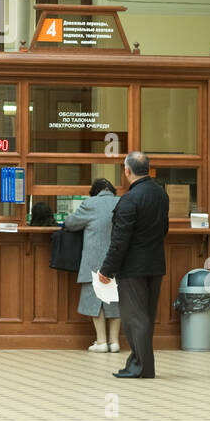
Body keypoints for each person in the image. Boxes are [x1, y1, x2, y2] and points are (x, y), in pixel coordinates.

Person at [98, 152, 169, 379]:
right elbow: (164, 229)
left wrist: (106, 269)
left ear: (127, 171)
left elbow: (120, 240)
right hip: (155, 265)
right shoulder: (161, 194)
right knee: (145, 317)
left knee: (134, 319)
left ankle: (142, 367)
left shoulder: (130, 199)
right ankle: (138, 362)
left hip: (133, 269)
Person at [64, 178, 121, 352]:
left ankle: (101, 341)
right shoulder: (123, 202)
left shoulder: (90, 204)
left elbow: (70, 223)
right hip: (119, 259)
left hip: (94, 260)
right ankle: (115, 342)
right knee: (115, 300)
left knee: (95, 300)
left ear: (94, 191)